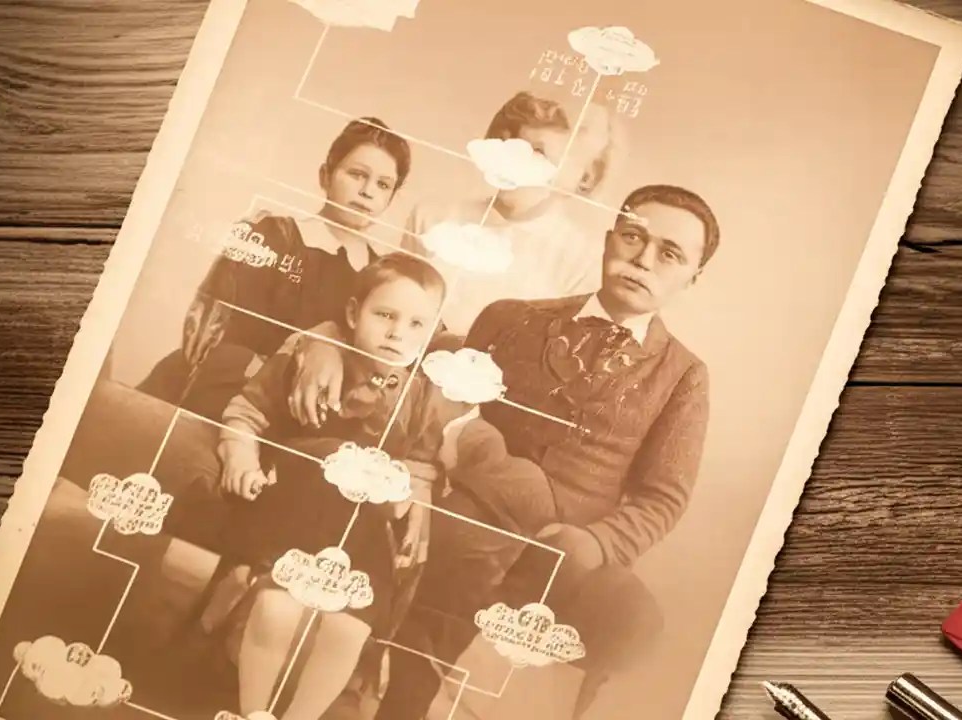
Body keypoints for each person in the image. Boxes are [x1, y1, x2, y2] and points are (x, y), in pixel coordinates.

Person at [294, 184, 720, 718]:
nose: (643, 259)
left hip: (564, 543)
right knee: (455, 543)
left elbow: (664, 496)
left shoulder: (682, 375)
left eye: (670, 254)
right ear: (610, 239)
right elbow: (430, 392)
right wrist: (326, 336)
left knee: (634, 624)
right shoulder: (511, 317)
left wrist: (598, 542)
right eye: (633, 237)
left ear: (693, 276)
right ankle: (383, 694)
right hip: (471, 504)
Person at [213, 253, 472, 720]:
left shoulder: (422, 392)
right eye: (385, 315)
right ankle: (252, 712)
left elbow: (421, 464)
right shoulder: (307, 357)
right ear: (354, 313)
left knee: (347, 631)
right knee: (277, 611)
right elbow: (246, 412)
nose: (397, 333)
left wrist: (413, 503)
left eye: (417, 324)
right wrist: (241, 456)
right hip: (296, 513)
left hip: (363, 534)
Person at [138, 116, 412, 422]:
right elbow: (220, 338)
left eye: (383, 184)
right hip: (226, 394)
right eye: (357, 174)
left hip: (313, 418)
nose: (368, 191)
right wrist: (311, 345)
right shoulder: (273, 235)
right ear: (325, 176)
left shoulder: (385, 279)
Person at [398, 90, 623, 337]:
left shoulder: (582, 263)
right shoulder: (432, 217)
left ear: (584, 178)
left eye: (538, 153)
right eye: (514, 147)